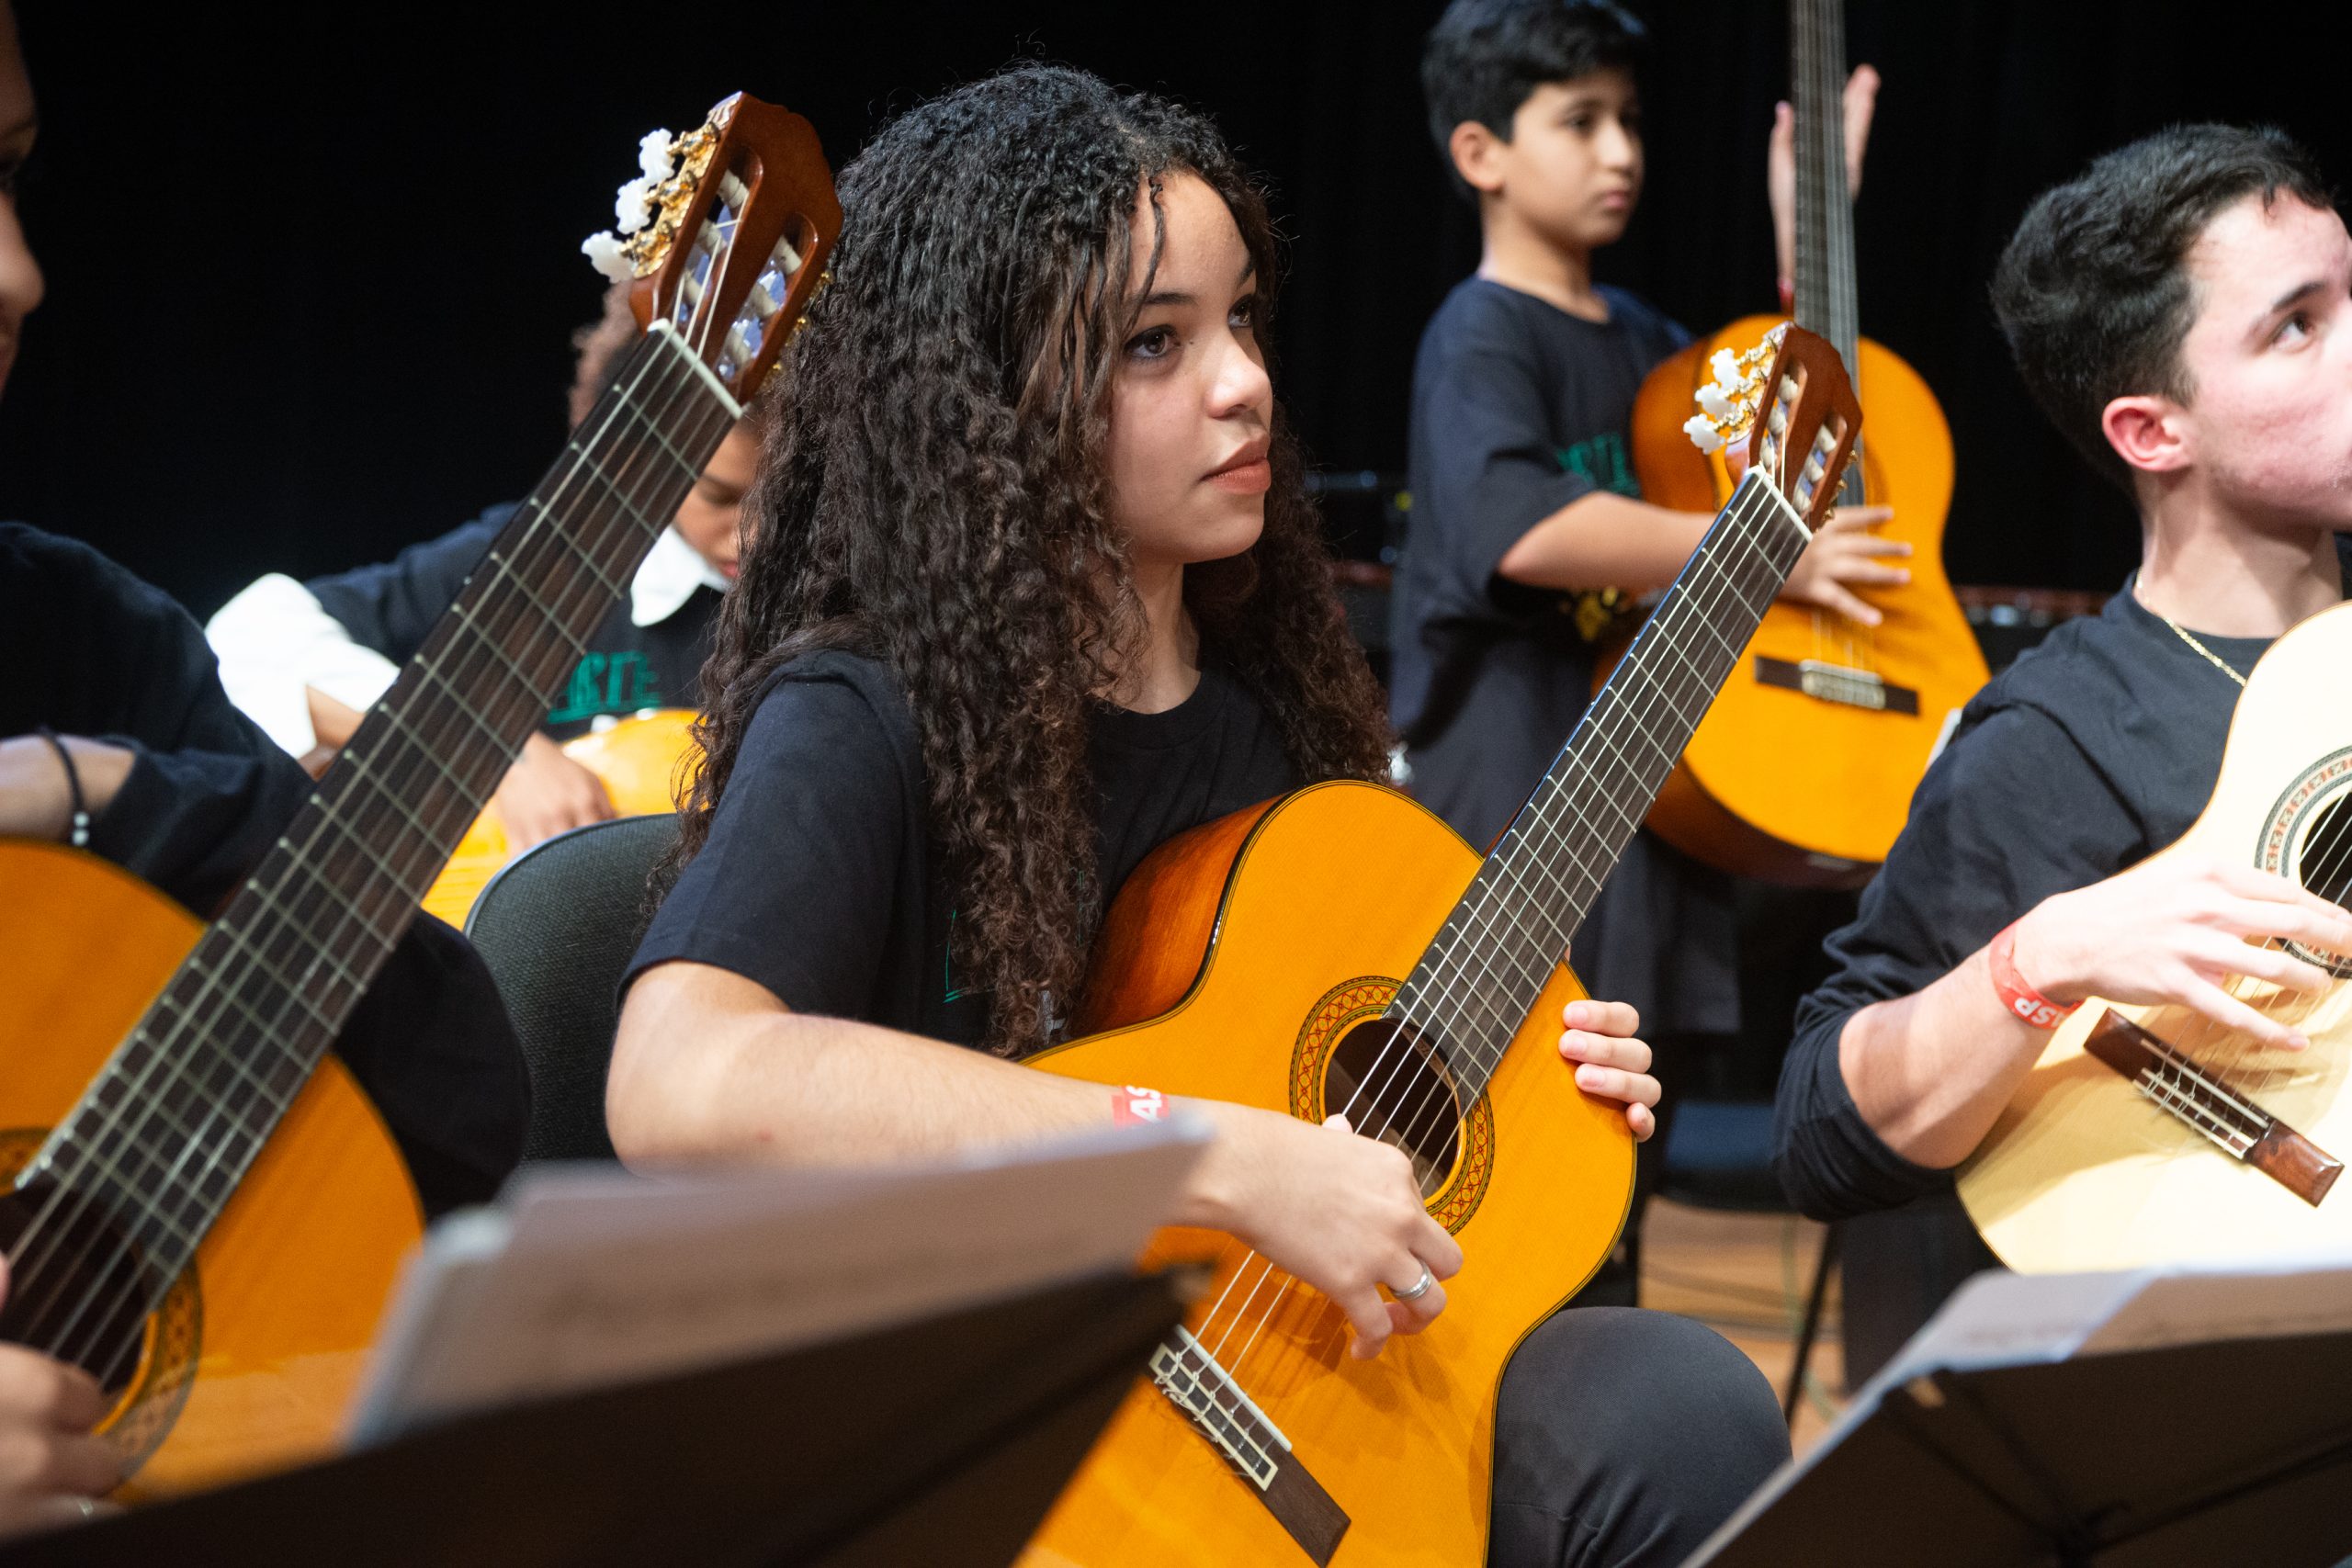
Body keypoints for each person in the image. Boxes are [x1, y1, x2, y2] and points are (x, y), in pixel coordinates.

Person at [605, 65, 1787, 1567]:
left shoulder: (1281, 710)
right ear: (991, 391)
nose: (1242, 383)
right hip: (973, 1401)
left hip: (1266, 1371)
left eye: (1240, 322)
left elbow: (1324, 1108)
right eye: (1154, 343)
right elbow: (681, 1079)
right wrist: (1202, 1153)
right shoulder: (866, 708)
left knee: (1677, 1405)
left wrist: (1515, 1089)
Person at [0, 6, 526, 1528]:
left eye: (22, 181)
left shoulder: (83, 642)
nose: (25, 274)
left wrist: (107, 789)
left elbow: (456, 1083)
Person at [1390, 0, 1904, 1300]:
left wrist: (1812, 228)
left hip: (1647, 829)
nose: (1621, 149)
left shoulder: (1648, 342)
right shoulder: (1478, 333)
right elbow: (1525, 526)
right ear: (1480, 153)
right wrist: (1763, 546)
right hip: (1513, 810)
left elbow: (1779, 429)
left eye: (1629, 119)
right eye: (1580, 120)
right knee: (1490, 1175)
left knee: (1609, 1187)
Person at [1772, 126, 2352, 1248]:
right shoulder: (2052, 742)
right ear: (2151, 430)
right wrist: (2031, 963)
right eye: (2298, 326)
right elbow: (1811, 1131)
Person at [205, 282, 760, 850]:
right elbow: (249, 639)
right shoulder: (544, 555)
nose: (756, 533)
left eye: (788, 497)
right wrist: (489, 754)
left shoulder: (829, 600)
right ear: (641, 460)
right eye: (719, 497)